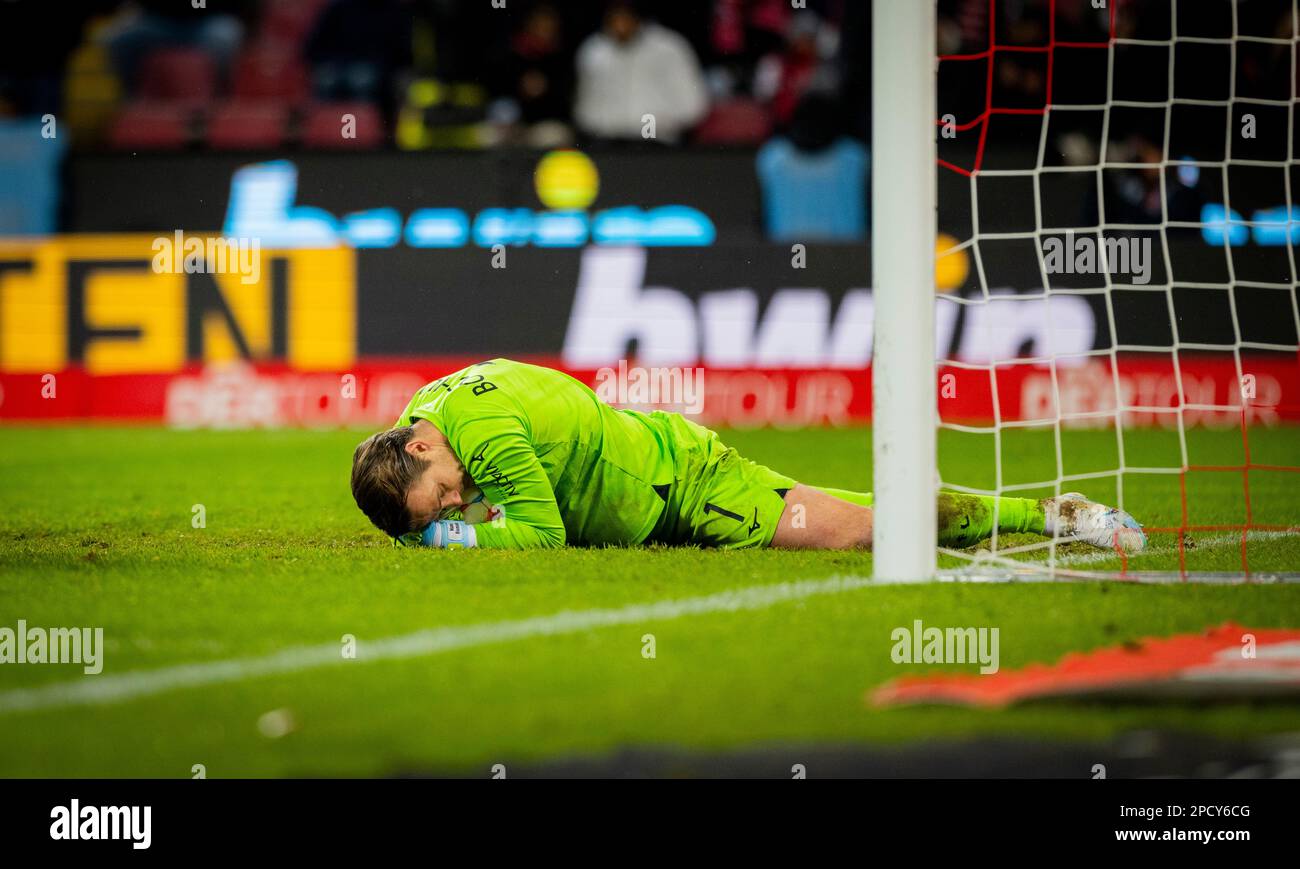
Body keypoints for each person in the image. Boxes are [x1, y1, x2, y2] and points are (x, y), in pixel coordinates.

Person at [350, 358, 1147, 553]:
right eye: (444, 511)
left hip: (688, 484)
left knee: (857, 531)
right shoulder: (428, 417)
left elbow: (544, 534)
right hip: (641, 481)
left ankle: (1052, 513)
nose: (458, 504)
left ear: (421, 447)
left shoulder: (480, 433)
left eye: (444, 498)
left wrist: (442, 538)